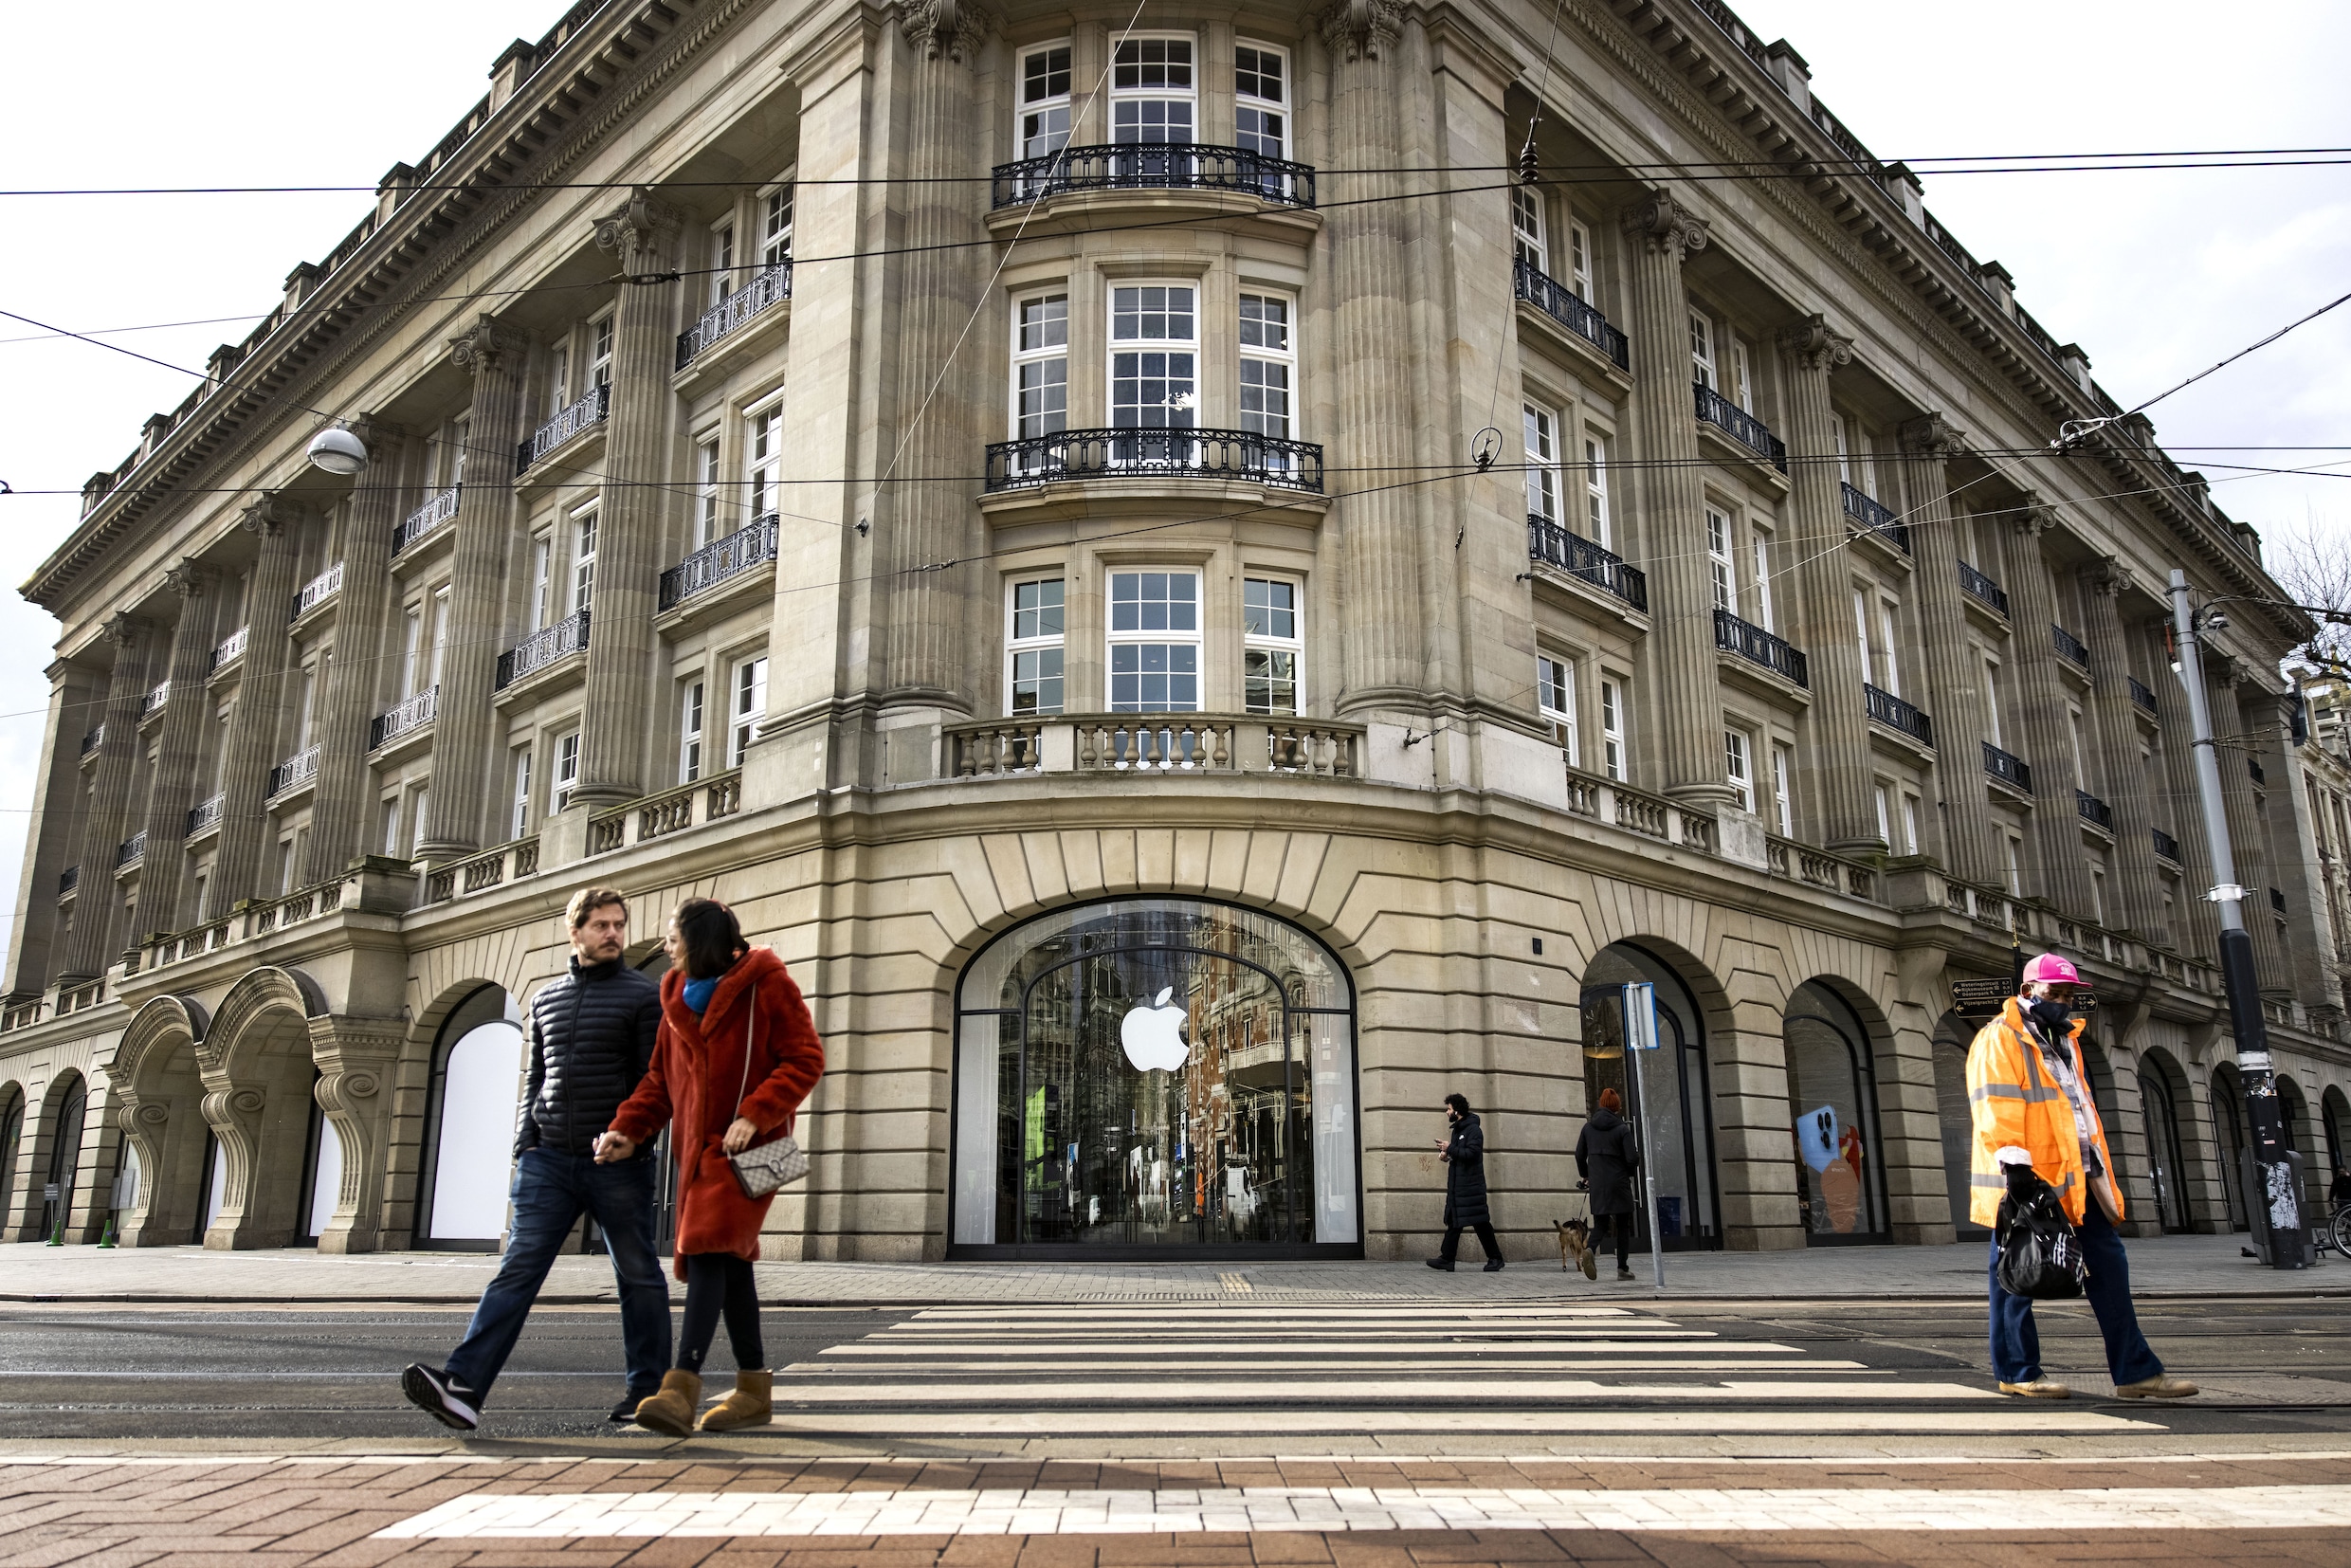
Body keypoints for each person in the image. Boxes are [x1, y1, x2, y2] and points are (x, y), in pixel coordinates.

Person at [403, 887, 668, 1431]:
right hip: (548, 1160)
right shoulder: (545, 1000)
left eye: (619, 924)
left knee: (637, 1275)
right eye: (601, 925)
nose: (613, 933)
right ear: (575, 932)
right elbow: (536, 1077)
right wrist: (524, 1146)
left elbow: (656, 1079)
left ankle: (649, 1394)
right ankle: (464, 1389)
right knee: (517, 1271)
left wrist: (632, 1137)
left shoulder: (644, 997)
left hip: (617, 1161)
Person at [596, 898, 825, 1434]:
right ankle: (752, 1392)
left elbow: (805, 1057)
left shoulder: (766, 981)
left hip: (756, 1153)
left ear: (698, 939)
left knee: (704, 1251)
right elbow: (658, 1082)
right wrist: (627, 1129)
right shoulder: (673, 996)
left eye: (673, 936)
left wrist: (756, 1113)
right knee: (731, 1266)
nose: (666, 946)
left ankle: (679, 1390)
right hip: (698, 1155)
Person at [1968, 953, 2197, 1401]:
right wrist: (2015, 1167)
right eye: (2055, 992)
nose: (2064, 1001)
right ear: (2029, 989)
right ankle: (2016, 1371)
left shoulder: (2066, 1042)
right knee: (2017, 1275)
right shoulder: (2001, 1037)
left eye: (2070, 994)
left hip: (2076, 1176)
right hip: (2027, 1181)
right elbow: (1995, 1105)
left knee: (2109, 1269)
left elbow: (2077, 1111)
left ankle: (2135, 1372)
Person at [1427, 1092, 1503, 1271]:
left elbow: (1472, 1154)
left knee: (1481, 1224)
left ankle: (1495, 1258)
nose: (1447, 1112)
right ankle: (1447, 1258)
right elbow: (1460, 1155)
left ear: (1457, 1110)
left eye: (1449, 1109)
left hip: (1470, 1187)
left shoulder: (1473, 1130)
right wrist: (1447, 1155)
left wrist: (1450, 1147)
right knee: (1454, 1221)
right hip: (1458, 1187)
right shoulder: (1459, 1130)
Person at [1575, 1087, 1641, 1281]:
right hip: (1619, 1182)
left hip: (1598, 1182)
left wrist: (1586, 1175)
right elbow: (1633, 1158)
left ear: (1601, 1105)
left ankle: (1591, 1249)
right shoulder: (1622, 1129)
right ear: (1617, 1107)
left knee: (1601, 1223)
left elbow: (1579, 1154)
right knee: (1622, 1225)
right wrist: (1627, 1173)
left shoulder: (1588, 1128)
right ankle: (1622, 1268)